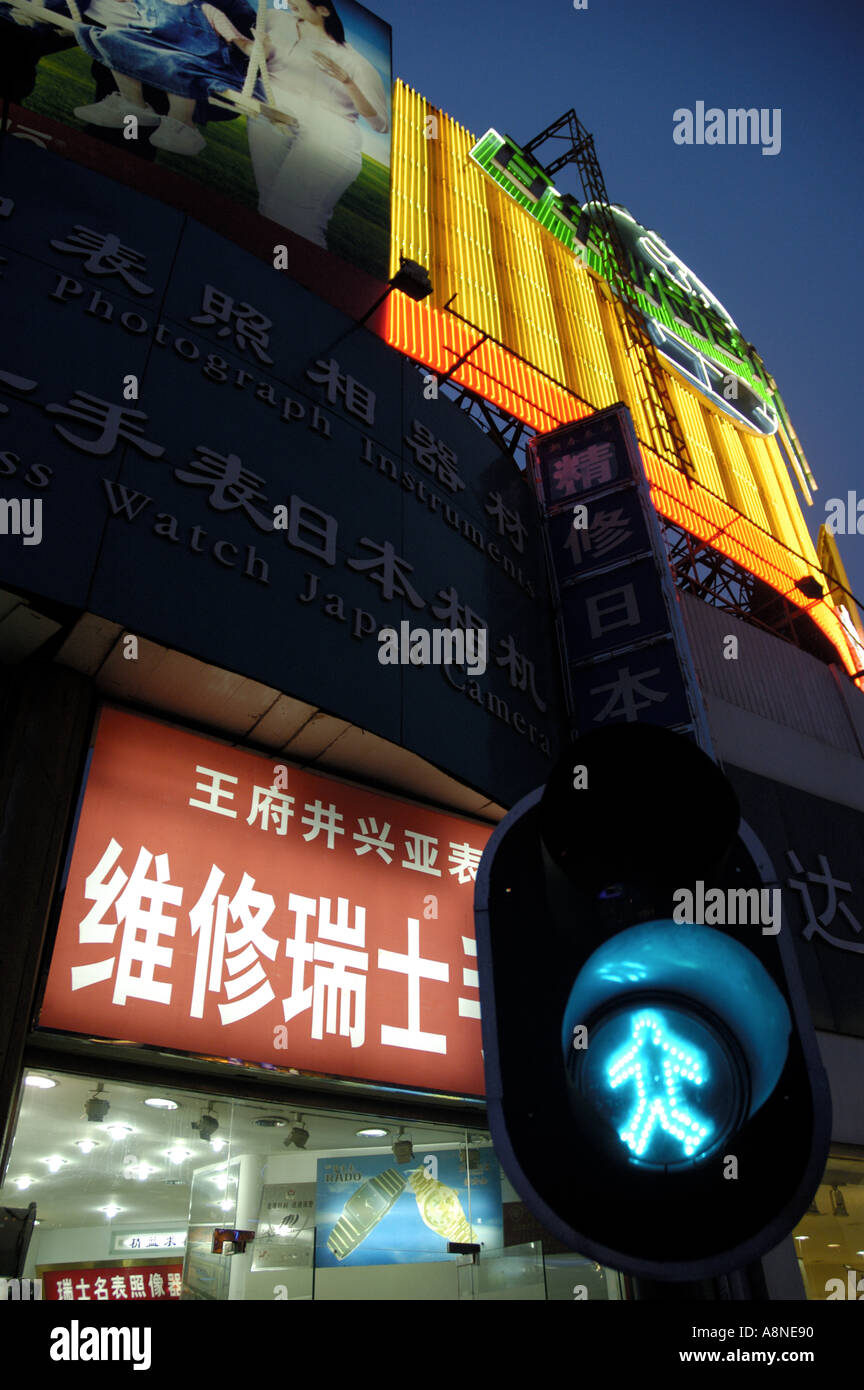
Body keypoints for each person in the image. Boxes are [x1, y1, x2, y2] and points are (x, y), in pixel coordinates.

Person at [245, 0, 389, 246]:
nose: (290, 1)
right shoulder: (275, 20)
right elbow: (247, 44)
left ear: (323, 10)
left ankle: (314, 279)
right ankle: (270, 271)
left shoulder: (356, 63)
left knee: (291, 214)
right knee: (268, 206)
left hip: (329, 133)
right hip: (271, 114)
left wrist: (348, 83)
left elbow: (380, 124)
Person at [70, 0, 257, 155]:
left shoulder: (223, 9)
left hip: (173, 80)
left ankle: (124, 153)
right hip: (131, 64)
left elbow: (240, 45)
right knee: (120, 132)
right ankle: (118, 145)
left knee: (130, 139)